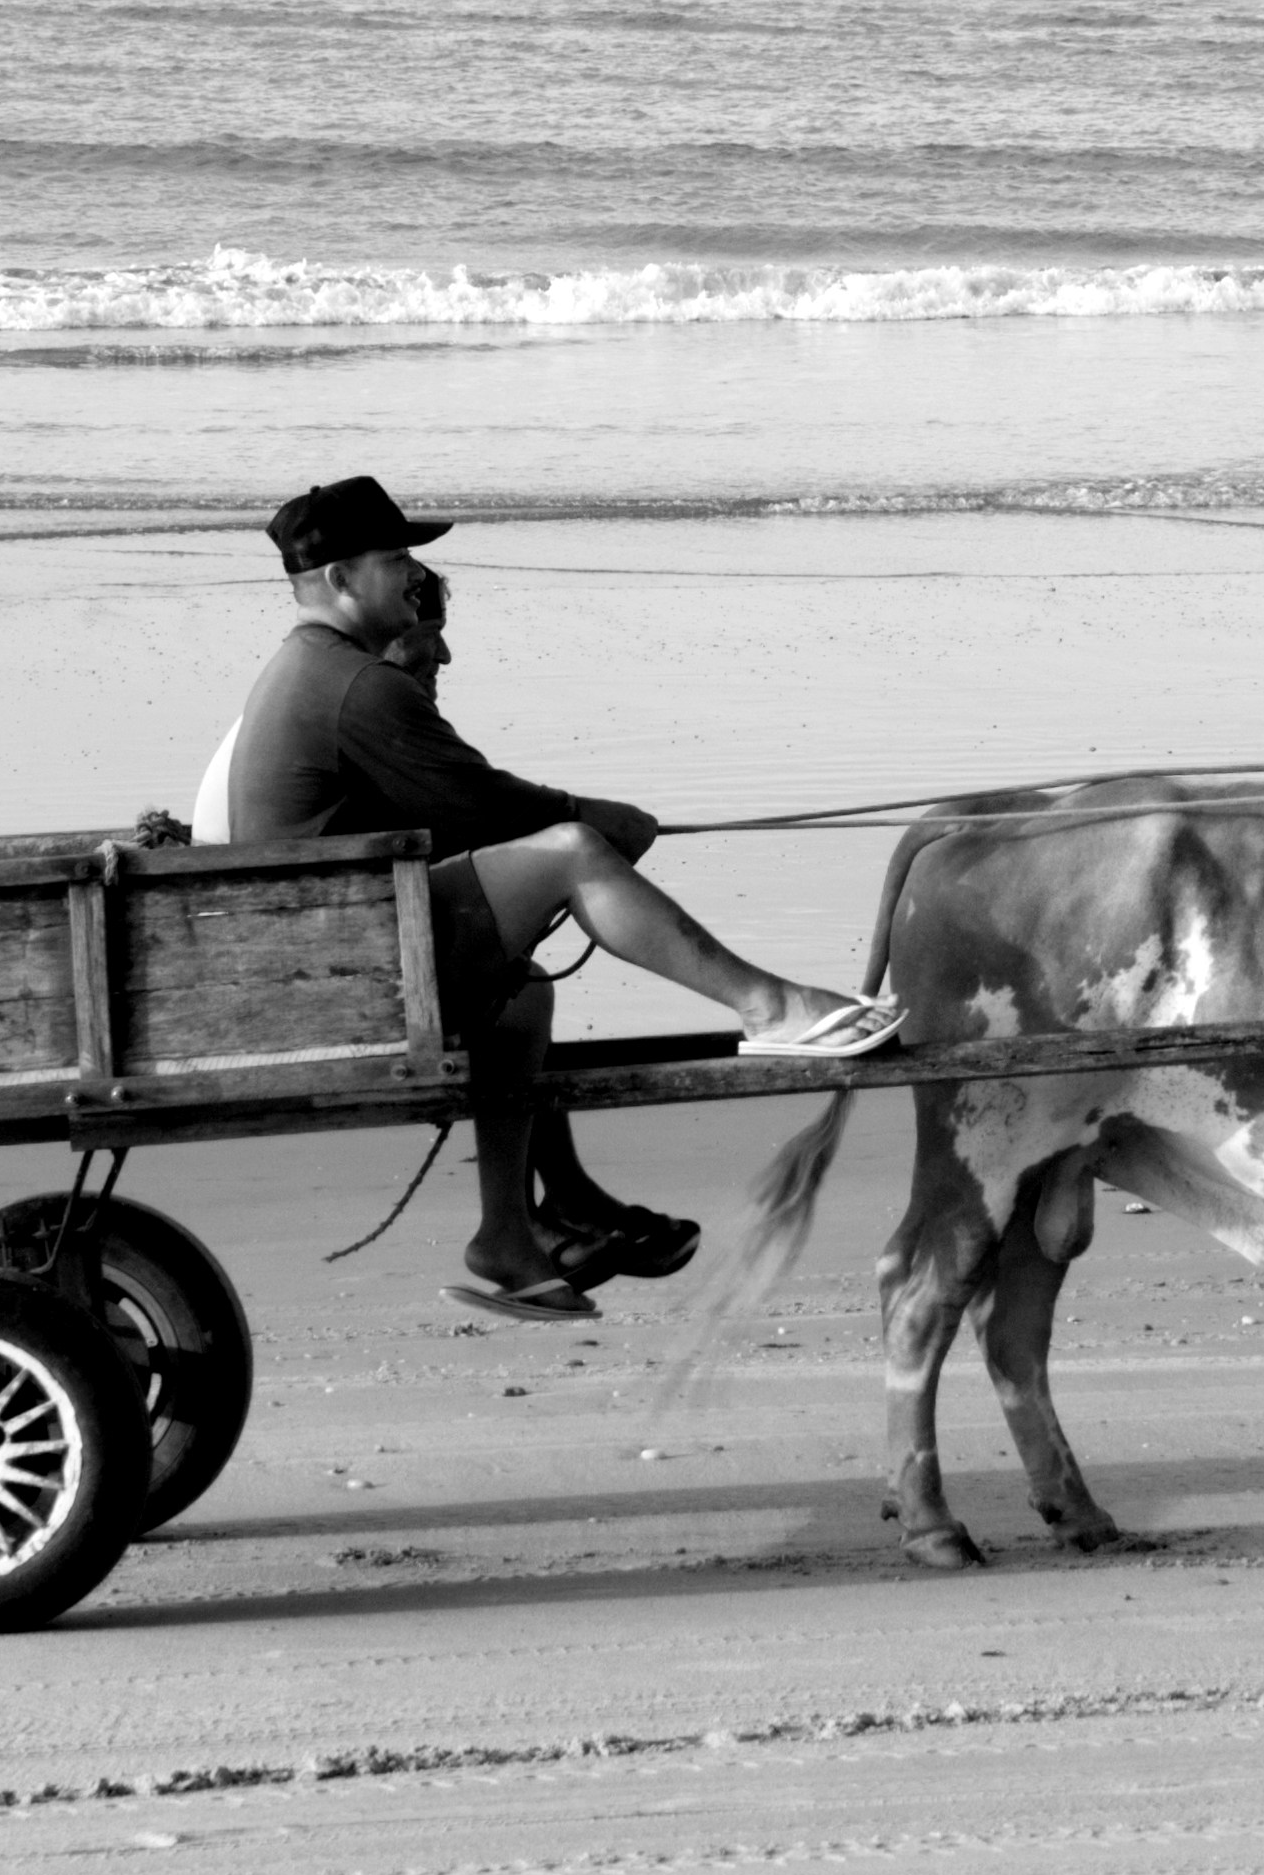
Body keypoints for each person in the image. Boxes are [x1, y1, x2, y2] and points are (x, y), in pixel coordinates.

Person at [215, 475, 895, 1319]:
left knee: (522, 996)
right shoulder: (356, 684)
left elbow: (454, 813)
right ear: (342, 581)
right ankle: (770, 1005)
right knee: (572, 854)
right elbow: (479, 804)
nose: (413, 578)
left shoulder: (316, 670)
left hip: (326, 957)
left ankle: (508, 1231)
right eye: (396, 562)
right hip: (345, 971)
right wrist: (597, 820)